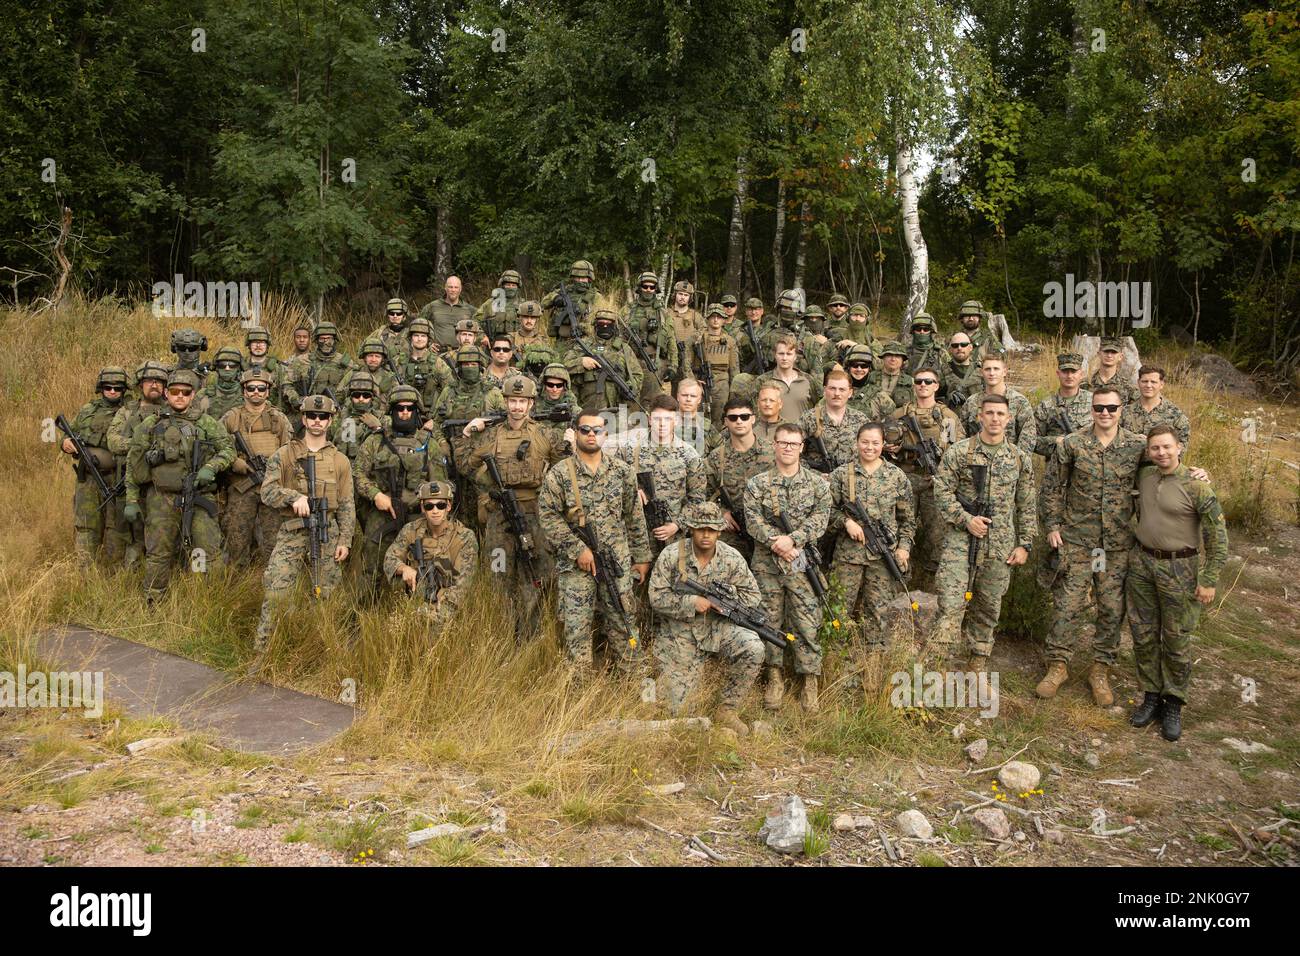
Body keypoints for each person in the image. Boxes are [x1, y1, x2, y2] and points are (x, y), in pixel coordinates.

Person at [1036, 385, 1148, 705]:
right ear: (1092, 409)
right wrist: (1053, 526)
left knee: (1111, 608)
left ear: (1121, 410)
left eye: (1112, 408)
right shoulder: (1072, 444)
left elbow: (1166, 469)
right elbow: (1053, 487)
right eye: (1099, 407)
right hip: (1079, 541)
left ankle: (1100, 669)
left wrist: (1197, 473)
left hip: (1114, 545)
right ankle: (1058, 665)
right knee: (1068, 605)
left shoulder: (1137, 446)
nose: (1105, 414)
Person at [1126, 425, 1228, 742]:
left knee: (1176, 639)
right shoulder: (1144, 475)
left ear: (1179, 447)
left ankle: (1173, 702)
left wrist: (1209, 579)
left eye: (1167, 447)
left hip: (1179, 568)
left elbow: (1218, 540)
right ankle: (1151, 694)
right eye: (1155, 448)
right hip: (1142, 564)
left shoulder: (1198, 487)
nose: (1162, 453)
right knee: (1142, 635)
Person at [537, 408, 651, 677]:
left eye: (597, 430)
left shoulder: (622, 472)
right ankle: (579, 690)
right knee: (576, 628)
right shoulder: (560, 474)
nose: (591, 435)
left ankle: (637, 684)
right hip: (577, 566)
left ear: (605, 434)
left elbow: (634, 516)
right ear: (576, 433)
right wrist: (578, 550)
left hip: (616, 563)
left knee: (624, 621)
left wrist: (642, 557)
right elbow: (548, 516)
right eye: (585, 430)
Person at [931, 394, 1036, 669]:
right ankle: (939, 667)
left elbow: (1026, 503)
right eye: (989, 413)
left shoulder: (1018, 458)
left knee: (989, 606)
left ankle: (976, 665)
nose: (995, 419)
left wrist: (1025, 544)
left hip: (1000, 543)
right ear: (980, 416)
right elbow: (941, 492)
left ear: (1009, 418)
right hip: (961, 539)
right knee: (951, 602)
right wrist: (965, 519)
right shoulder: (959, 452)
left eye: (1000, 414)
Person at [646, 502, 765, 736]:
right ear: (691, 529)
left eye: (711, 529)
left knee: (753, 647)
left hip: (717, 627)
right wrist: (691, 602)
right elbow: (656, 597)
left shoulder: (732, 557)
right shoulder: (672, 555)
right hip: (680, 633)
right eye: (701, 529)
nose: (706, 535)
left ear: (720, 531)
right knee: (677, 712)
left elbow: (753, 597)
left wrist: (727, 599)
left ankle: (727, 709)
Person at [463, 374, 568, 636]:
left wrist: (570, 443)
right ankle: (502, 635)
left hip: (536, 516)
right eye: (512, 401)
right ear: (506, 402)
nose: (517, 407)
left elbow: (566, 472)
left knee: (537, 575)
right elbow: (466, 466)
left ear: (531, 403)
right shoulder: (491, 436)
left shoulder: (545, 435)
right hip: (500, 518)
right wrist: (467, 434)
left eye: (522, 401)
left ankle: (531, 635)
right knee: (499, 574)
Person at [254, 394, 355, 652]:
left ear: (331, 421)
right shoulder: (285, 455)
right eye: (312, 416)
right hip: (292, 532)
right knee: (277, 592)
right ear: (304, 418)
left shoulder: (339, 460)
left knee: (326, 595)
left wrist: (345, 540)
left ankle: (321, 651)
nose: (317, 421)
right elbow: (267, 492)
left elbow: (345, 503)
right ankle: (265, 653)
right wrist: (294, 496)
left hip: (326, 533)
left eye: (323, 417)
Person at [743, 422, 832, 712]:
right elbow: (752, 520)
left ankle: (809, 682)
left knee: (806, 621)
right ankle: (775, 677)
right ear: (775, 445)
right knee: (769, 622)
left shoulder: (817, 484)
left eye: (793, 444)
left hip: (801, 560)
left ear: (802, 447)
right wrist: (775, 542)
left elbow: (820, 520)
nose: (788, 448)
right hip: (767, 563)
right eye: (783, 443)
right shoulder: (757, 484)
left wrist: (793, 540)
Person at [125, 369, 235, 601]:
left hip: (199, 497)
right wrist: (132, 500)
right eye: (175, 391)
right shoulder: (151, 423)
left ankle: (208, 599)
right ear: (166, 393)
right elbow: (133, 463)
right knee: (159, 552)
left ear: (193, 395)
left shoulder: (206, 423)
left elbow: (228, 450)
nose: (180, 396)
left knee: (207, 551)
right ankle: (154, 600)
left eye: (185, 392)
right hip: (161, 498)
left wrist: (210, 467)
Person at [827, 423, 916, 686]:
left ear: (883, 445)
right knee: (839, 610)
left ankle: (872, 669)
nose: (869, 448)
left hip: (882, 557)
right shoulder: (843, 475)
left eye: (875, 443)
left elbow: (908, 520)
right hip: (848, 556)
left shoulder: (896, 477)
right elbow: (826, 511)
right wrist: (846, 522)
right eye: (865, 442)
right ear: (856, 443)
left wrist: (903, 547)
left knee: (877, 612)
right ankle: (834, 667)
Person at [885, 369, 962, 591]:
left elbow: (956, 451)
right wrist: (891, 449)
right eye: (918, 381)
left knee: (936, 538)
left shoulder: (947, 417)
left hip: (934, 484)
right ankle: (898, 586)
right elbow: (881, 445)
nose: (923, 385)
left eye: (929, 381)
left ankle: (932, 589)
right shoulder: (899, 415)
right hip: (904, 482)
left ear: (937, 385)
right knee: (898, 534)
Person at [612, 394, 707, 560]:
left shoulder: (688, 455)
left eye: (668, 419)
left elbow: (697, 499)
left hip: (672, 538)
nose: (662, 424)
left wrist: (677, 525)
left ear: (676, 420)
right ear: (649, 419)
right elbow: (610, 481)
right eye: (657, 419)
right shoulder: (629, 450)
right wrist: (633, 489)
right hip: (635, 537)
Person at [220, 368, 293, 568]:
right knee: (237, 537)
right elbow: (215, 447)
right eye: (251, 388)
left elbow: (290, 453)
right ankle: (236, 584)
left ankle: (274, 583)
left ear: (268, 391)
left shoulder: (279, 419)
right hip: (241, 487)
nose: (256, 392)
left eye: (261, 388)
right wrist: (233, 461)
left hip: (271, 487)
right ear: (244, 390)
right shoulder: (231, 417)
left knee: (273, 539)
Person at [384, 480, 479, 632]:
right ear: (423, 508)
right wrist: (404, 568)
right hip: (415, 600)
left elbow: (463, 585)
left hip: (449, 604)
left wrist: (438, 614)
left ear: (448, 506)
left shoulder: (465, 537)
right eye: (429, 506)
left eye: (440, 505)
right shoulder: (411, 530)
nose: (435, 510)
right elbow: (389, 559)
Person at [62, 366, 132, 564]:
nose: (112, 391)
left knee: (116, 527)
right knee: (86, 525)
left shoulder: (130, 412)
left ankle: (113, 572)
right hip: (89, 479)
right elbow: (69, 433)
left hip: (118, 478)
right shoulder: (88, 410)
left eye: (117, 388)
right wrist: (65, 443)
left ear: (124, 389)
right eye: (107, 387)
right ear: (100, 388)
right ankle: (85, 571)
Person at [108, 360, 172, 568]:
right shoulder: (126, 412)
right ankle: (128, 577)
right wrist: (139, 445)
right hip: (129, 481)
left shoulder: (172, 411)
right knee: (129, 535)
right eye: (149, 381)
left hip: (161, 484)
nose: (154, 385)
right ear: (140, 384)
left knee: (161, 533)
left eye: (159, 381)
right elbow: (113, 441)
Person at [706, 395, 774, 563]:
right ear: (725, 422)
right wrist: (721, 513)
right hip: (734, 531)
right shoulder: (716, 458)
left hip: (768, 526)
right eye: (733, 417)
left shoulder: (772, 452)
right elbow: (702, 494)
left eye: (744, 417)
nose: (739, 421)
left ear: (753, 419)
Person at [563, 309, 642, 410]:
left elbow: (637, 374)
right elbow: (564, 366)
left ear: (614, 327)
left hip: (619, 406)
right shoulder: (584, 345)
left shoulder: (624, 348)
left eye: (609, 324)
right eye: (601, 323)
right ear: (595, 325)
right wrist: (581, 362)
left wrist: (631, 386)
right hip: (589, 407)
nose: (605, 326)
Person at [959, 351, 1037, 449]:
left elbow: (1028, 438)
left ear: (1004, 372)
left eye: (996, 369)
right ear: (981, 372)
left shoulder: (1019, 402)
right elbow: (961, 436)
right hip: (975, 461)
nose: (992, 373)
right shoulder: (971, 402)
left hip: (1008, 461)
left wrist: (1018, 461)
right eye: (988, 369)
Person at [798, 370, 872, 473]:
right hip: (818, 482)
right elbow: (792, 450)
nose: (837, 394)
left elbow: (872, 452)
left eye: (842, 389)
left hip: (851, 480)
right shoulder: (809, 418)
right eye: (832, 388)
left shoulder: (861, 419)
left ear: (850, 393)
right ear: (825, 390)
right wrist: (813, 474)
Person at [1125, 365, 1191, 446]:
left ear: (1161, 384)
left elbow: (1181, 447)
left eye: (1153, 382)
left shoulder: (1176, 415)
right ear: (1138, 382)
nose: (1148, 385)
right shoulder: (1124, 413)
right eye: (1144, 381)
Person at [696, 304, 739, 424]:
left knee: (718, 419)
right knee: (700, 418)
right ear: (707, 318)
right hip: (701, 383)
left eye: (719, 317)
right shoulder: (697, 339)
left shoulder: (730, 341)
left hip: (722, 384)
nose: (715, 320)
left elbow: (734, 368)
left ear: (724, 319)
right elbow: (687, 363)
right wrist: (694, 381)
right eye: (713, 316)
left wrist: (733, 392)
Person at [761, 336, 818, 422]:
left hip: (802, 434)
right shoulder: (763, 381)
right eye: (781, 354)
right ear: (775, 355)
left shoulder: (808, 380)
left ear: (795, 357)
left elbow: (817, 408)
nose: (784, 358)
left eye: (789, 354)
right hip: (774, 434)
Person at [420, 275, 476, 350]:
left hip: (461, 354)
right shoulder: (432, 306)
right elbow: (419, 327)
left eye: (456, 287)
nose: (453, 290)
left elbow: (480, 331)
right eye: (450, 287)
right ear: (445, 288)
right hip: (437, 353)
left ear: (460, 289)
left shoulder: (470, 309)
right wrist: (428, 343)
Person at [1089, 336, 1139, 407]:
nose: (1109, 355)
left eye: (1114, 352)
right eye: (1106, 351)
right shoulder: (1086, 384)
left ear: (1120, 357)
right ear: (1099, 354)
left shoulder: (1128, 388)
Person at [474, 269, 523, 340]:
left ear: (518, 287)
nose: (511, 287)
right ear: (502, 286)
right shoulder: (490, 303)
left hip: (518, 345)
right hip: (494, 345)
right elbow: (475, 321)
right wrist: (482, 336)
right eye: (508, 285)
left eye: (513, 285)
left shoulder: (523, 305)